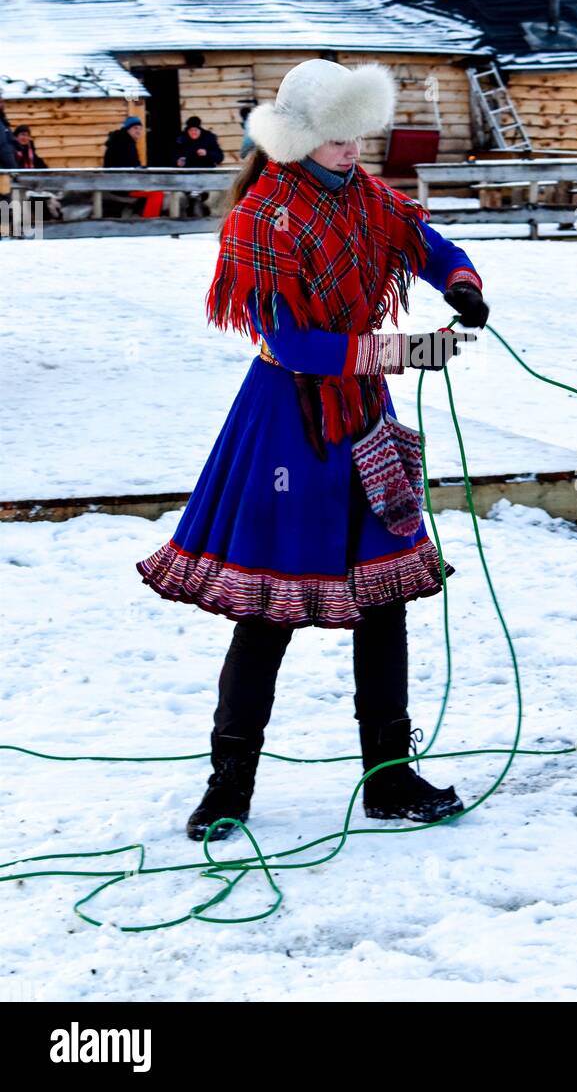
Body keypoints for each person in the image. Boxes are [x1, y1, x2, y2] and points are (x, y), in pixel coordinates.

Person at [135, 58, 490, 842]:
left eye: (358, 135)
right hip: (288, 425)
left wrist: (457, 278)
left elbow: (419, 236)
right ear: (300, 136)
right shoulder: (263, 216)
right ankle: (229, 786)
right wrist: (406, 354)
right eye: (336, 138)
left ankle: (388, 777)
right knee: (269, 609)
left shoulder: (367, 197)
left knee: (384, 599)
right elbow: (291, 341)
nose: (352, 150)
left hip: (361, 413)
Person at [173, 116, 224, 218]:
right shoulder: (181, 140)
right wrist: (178, 161)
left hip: (207, 178)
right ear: (187, 131)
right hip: (186, 180)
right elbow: (173, 157)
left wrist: (207, 153)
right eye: (191, 131)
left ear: (199, 129)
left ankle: (214, 222)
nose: (193, 133)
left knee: (216, 195)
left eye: (196, 130)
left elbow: (220, 157)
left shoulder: (209, 138)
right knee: (179, 197)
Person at [102, 115, 151, 217]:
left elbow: (131, 165)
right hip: (121, 186)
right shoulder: (123, 143)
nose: (138, 131)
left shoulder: (124, 141)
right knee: (156, 194)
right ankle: (149, 221)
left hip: (122, 184)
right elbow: (128, 166)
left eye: (140, 129)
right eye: (135, 128)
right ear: (127, 129)